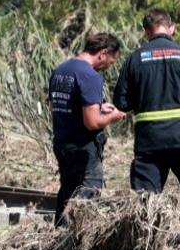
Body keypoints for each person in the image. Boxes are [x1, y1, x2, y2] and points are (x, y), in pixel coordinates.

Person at [112, 8, 180, 216]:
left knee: (145, 206)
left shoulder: (135, 60)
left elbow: (121, 102)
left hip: (150, 142)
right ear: (171, 28)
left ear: (145, 31)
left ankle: (146, 246)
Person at [48, 32, 127, 226]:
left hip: (62, 142)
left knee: (67, 191)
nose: (110, 66)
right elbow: (91, 123)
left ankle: (59, 234)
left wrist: (100, 108)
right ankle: (75, 240)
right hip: (83, 148)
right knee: (89, 191)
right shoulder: (90, 76)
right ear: (102, 53)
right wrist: (113, 116)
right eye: (111, 60)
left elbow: (60, 106)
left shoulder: (60, 70)